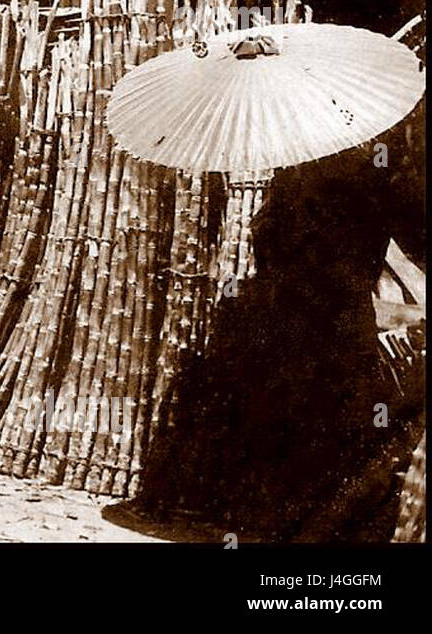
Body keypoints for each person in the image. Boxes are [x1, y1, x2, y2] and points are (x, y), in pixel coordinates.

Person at [137, 137, 424, 541]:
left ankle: (266, 510)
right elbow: (414, 230)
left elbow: (266, 235)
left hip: (287, 311)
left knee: (283, 413)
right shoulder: (374, 170)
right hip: (331, 317)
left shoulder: (298, 164)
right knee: (326, 419)